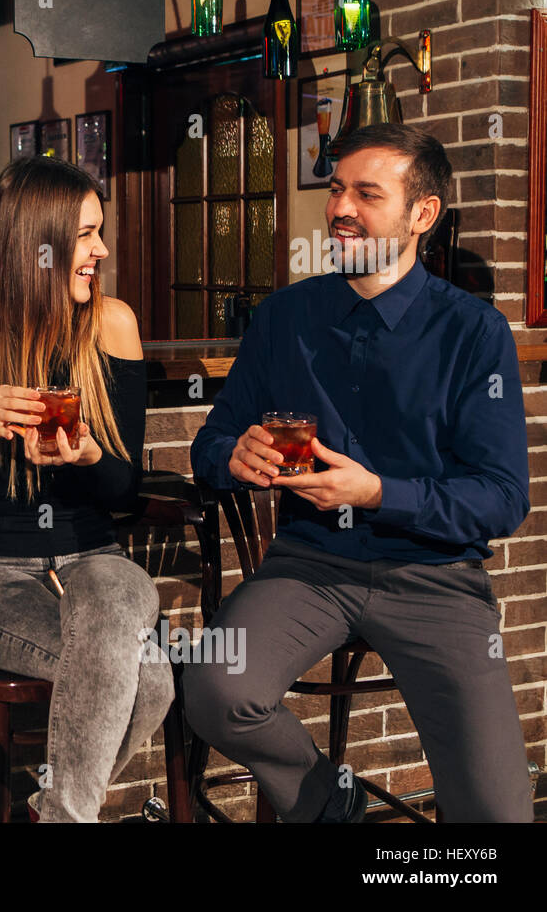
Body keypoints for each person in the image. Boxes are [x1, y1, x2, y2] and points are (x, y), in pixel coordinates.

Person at [186, 122, 532, 822]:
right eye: (337, 188)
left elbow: (501, 499)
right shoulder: (284, 318)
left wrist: (377, 492)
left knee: (497, 815)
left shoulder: (474, 333)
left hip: (435, 576)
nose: (340, 206)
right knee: (216, 687)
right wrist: (233, 454)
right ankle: (330, 805)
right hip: (310, 563)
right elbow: (212, 442)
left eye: (367, 194)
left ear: (421, 215)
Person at [0, 156, 172, 823]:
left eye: (99, 233)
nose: (101, 251)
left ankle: (56, 815)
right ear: (38, 240)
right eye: (86, 235)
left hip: (90, 560)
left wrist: (88, 456)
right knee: (148, 676)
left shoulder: (112, 325)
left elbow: (124, 495)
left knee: (121, 623)